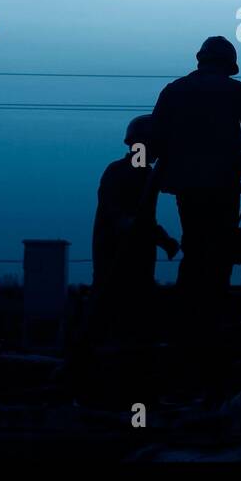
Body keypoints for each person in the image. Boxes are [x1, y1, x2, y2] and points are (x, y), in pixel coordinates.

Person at [151, 36, 241, 328]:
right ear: (228, 64)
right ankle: (213, 313)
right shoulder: (235, 91)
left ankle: (190, 314)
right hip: (223, 183)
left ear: (201, 59)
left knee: (195, 244)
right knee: (219, 247)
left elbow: (153, 141)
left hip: (186, 185)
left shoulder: (174, 90)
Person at [90, 115, 179, 340]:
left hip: (138, 256)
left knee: (137, 309)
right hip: (114, 254)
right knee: (110, 305)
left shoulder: (146, 175)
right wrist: (128, 226)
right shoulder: (117, 172)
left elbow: (146, 218)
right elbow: (112, 209)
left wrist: (163, 240)